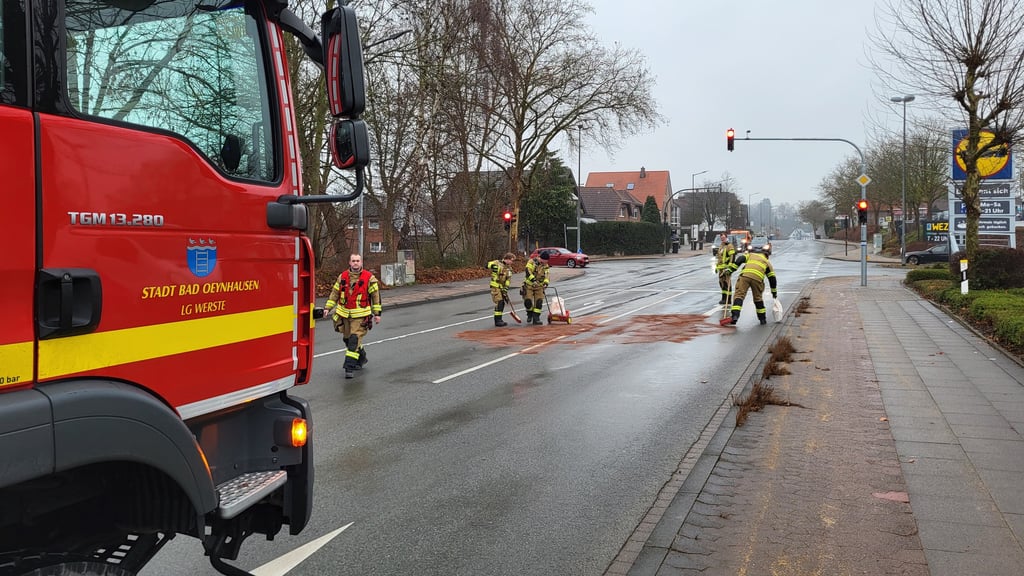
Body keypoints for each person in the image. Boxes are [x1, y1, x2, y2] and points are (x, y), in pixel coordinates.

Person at [324, 254, 382, 378]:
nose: (355, 263)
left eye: (358, 261)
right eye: (353, 261)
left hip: (360, 317)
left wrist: (377, 314)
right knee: (347, 339)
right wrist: (327, 308)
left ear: (361, 263)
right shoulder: (342, 277)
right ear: (349, 263)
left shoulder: (369, 278)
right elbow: (334, 293)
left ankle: (349, 367)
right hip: (344, 315)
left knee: (354, 340)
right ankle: (362, 358)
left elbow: (376, 297)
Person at [728, 251, 777, 325]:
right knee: (758, 298)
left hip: (745, 276)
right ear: (767, 257)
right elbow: (772, 279)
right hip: (757, 279)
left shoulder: (751, 255)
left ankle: (735, 316)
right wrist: (774, 292)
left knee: (739, 295)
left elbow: (740, 259)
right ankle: (762, 319)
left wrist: (731, 269)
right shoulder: (767, 262)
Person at [487, 252, 516, 327]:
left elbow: (508, 279)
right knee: (499, 302)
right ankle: (497, 321)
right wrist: (493, 266)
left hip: (502, 287)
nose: (512, 262)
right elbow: (487, 265)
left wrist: (505, 288)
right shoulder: (497, 262)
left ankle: (499, 319)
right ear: (507, 259)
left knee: (502, 303)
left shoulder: (509, 269)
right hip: (495, 286)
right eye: (511, 260)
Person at [522, 250, 550, 325]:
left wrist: (546, 283)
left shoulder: (545, 265)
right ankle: (529, 313)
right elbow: (528, 271)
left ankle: (536, 318)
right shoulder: (531, 262)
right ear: (541, 258)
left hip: (539, 286)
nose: (546, 262)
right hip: (529, 285)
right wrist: (533, 280)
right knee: (527, 301)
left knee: (539, 302)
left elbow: (547, 275)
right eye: (545, 260)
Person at [715, 233, 736, 305]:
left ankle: (728, 299)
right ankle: (723, 298)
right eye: (721, 238)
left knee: (727, 283)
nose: (722, 239)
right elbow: (719, 257)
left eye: (723, 238)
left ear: (726, 237)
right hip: (721, 269)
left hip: (726, 268)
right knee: (722, 284)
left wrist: (730, 267)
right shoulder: (721, 246)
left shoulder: (729, 246)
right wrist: (717, 267)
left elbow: (732, 256)